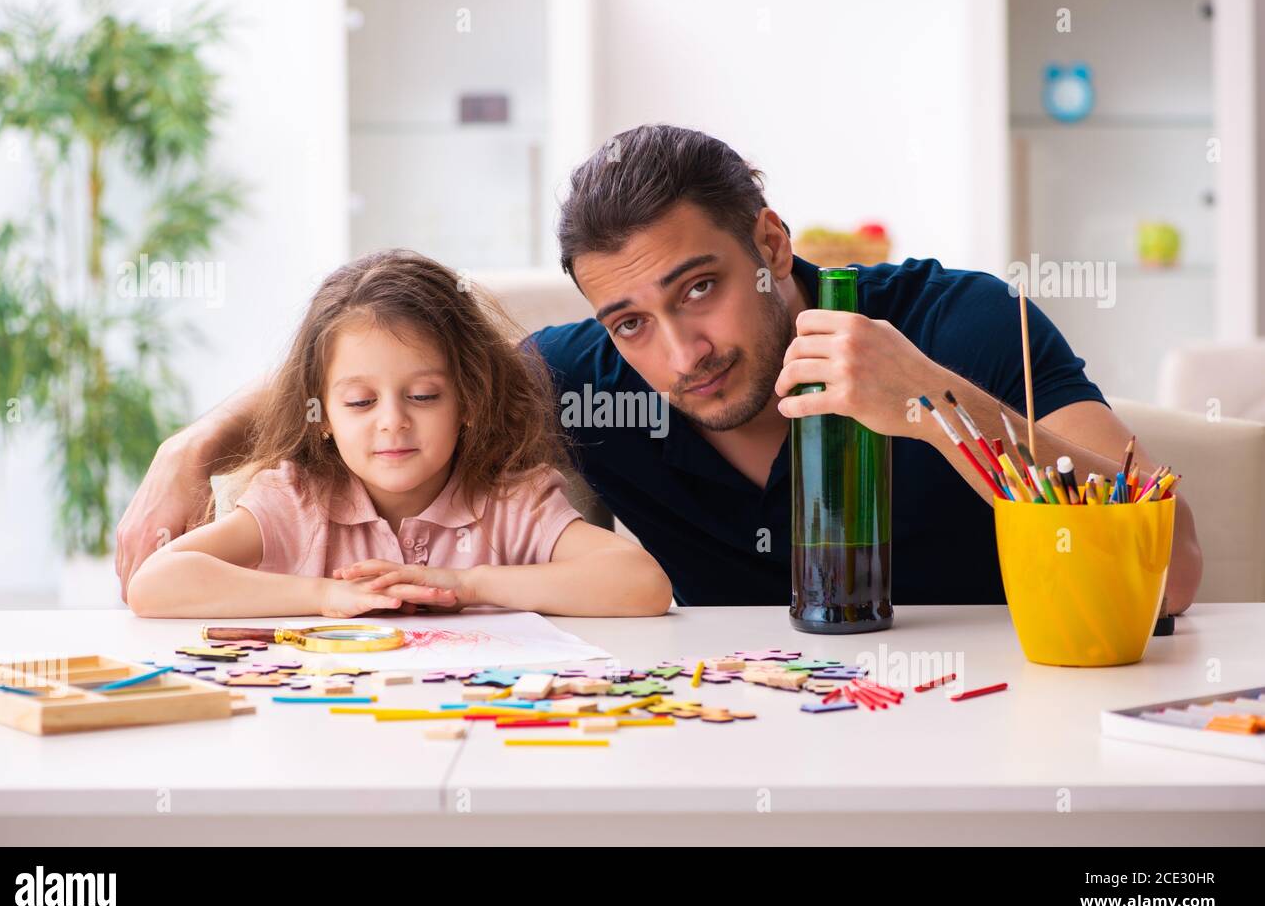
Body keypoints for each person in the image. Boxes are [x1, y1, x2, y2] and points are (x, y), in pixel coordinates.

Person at [118, 125, 1201, 613]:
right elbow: (396, 353)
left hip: (1008, 739)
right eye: (629, 320)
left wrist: (932, 405)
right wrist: (194, 445)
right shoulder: (582, 379)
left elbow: (1173, 573)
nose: (680, 355)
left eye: (699, 288)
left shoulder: (958, 323)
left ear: (770, 245)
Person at [126, 250, 672, 619]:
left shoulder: (512, 499)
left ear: (469, 402)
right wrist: (323, 595)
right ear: (321, 415)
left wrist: (467, 585)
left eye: (425, 396)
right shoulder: (296, 500)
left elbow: (640, 585)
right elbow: (156, 583)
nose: (392, 421)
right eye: (360, 402)